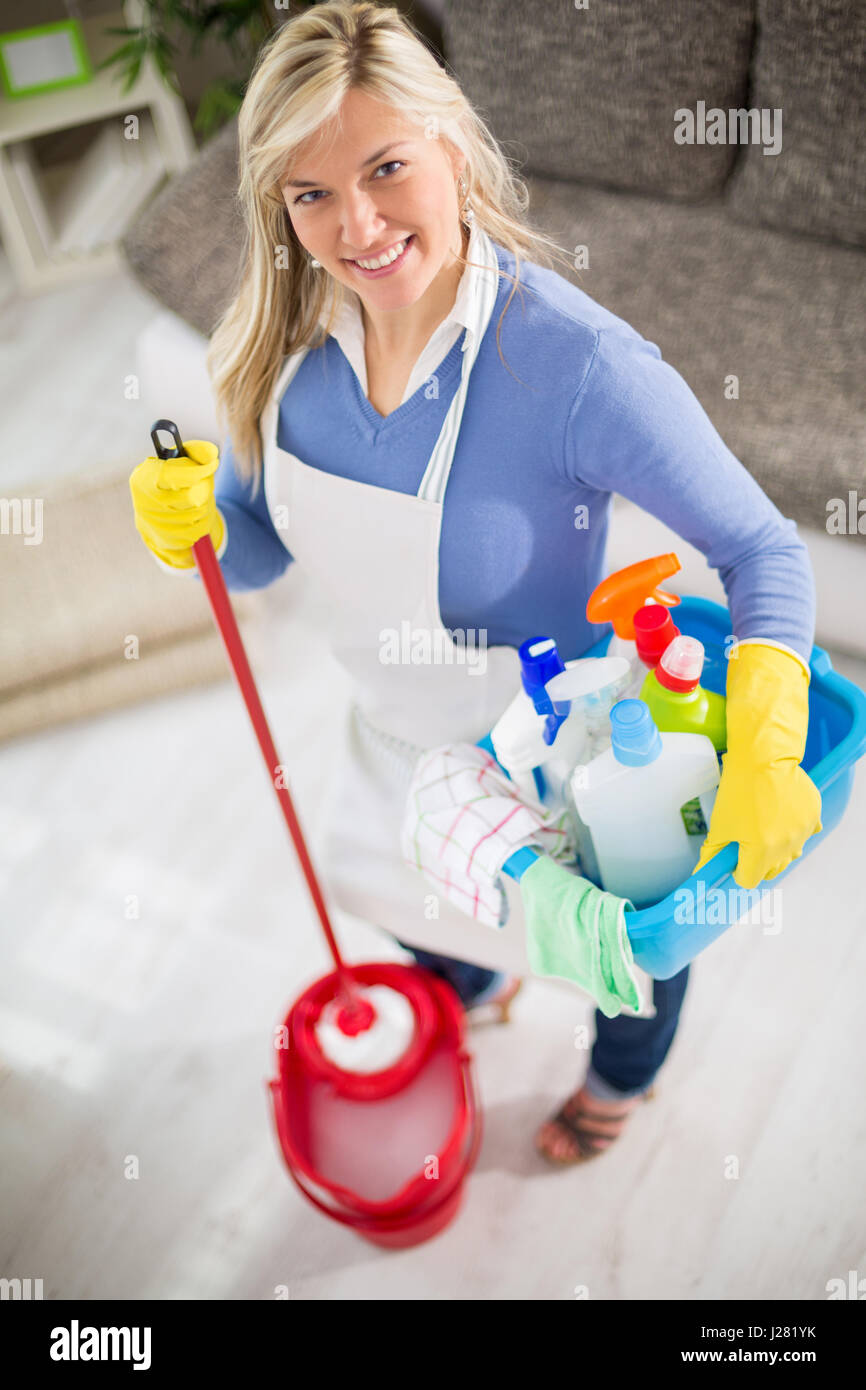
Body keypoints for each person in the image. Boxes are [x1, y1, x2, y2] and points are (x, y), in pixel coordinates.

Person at [129, 2, 822, 1166]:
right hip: (396, 744)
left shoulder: (574, 365)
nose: (357, 224)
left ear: (451, 142)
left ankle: (619, 1081)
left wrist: (761, 739)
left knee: (615, 966)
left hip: (570, 770)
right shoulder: (276, 343)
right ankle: (465, 979)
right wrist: (201, 527)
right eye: (310, 194)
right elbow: (263, 549)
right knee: (422, 917)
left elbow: (765, 549)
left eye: (386, 166)